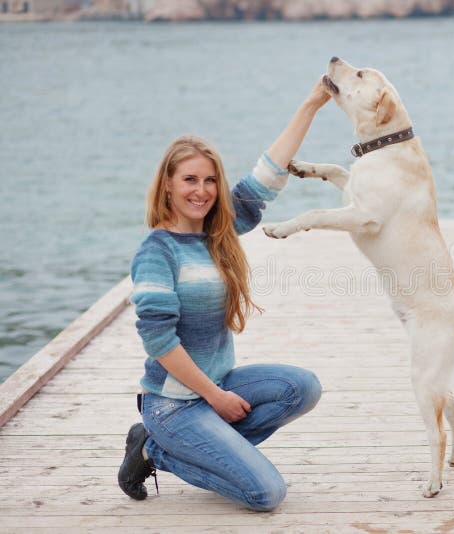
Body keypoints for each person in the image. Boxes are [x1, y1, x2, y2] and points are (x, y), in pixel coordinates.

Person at [117, 79, 330, 511]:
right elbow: (159, 343)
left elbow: (269, 173)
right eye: (190, 180)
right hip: (174, 404)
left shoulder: (218, 233)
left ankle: (200, 446)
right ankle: (153, 449)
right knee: (265, 494)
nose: (202, 190)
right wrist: (216, 399)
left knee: (302, 387)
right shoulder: (156, 252)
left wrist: (313, 102)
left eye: (210, 180)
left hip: (215, 385)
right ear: (169, 187)